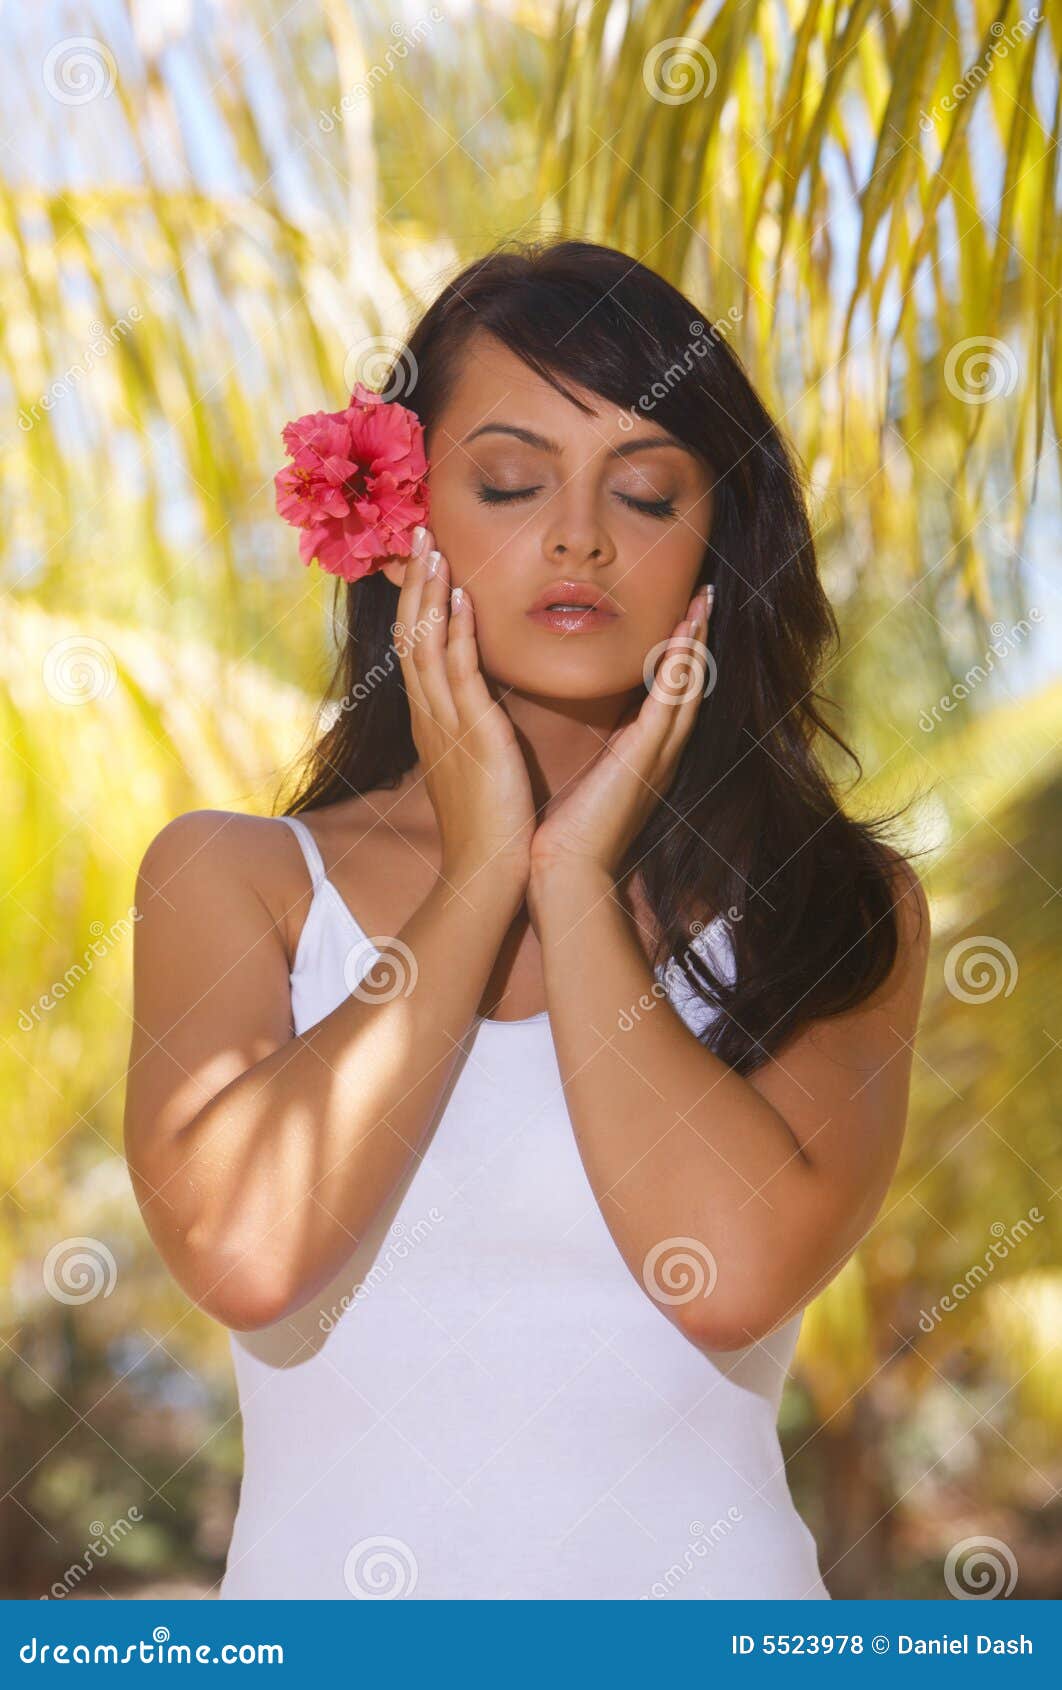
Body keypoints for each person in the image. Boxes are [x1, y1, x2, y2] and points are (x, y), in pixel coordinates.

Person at [123, 239, 931, 1600]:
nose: (578, 537)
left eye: (646, 490)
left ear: (714, 550)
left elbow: (728, 1275)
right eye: (509, 481)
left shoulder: (832, 905)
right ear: (397, 519)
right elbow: (249, 1252)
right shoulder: (233, 879)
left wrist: (566, 879)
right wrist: (479, 866)